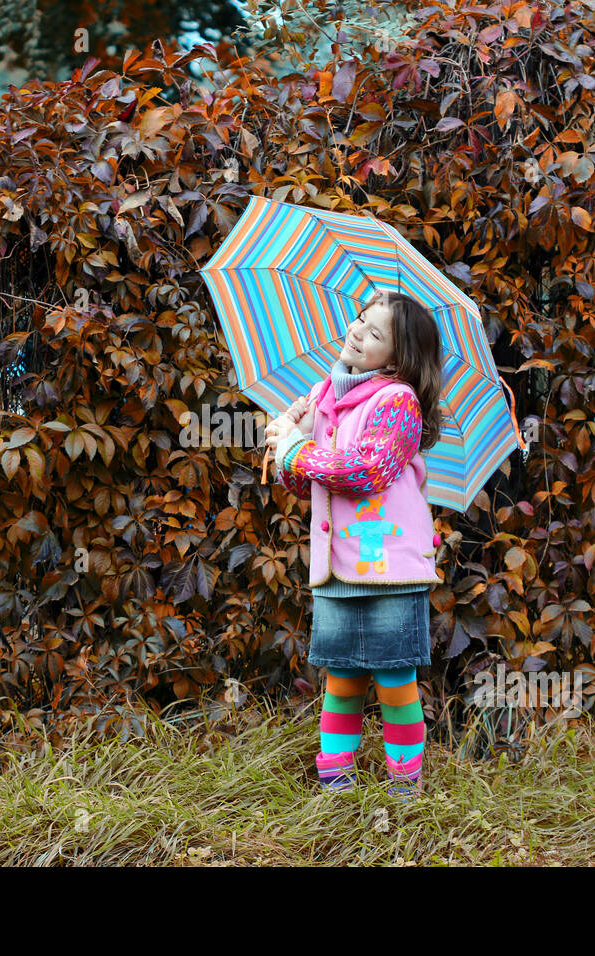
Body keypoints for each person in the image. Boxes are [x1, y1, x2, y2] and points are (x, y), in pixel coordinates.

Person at [265, 291, 445, 799]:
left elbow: (367, 471)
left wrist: (299, 452)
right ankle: (336, 788)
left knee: (394, 682)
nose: (357, 333)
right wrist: (285, 450)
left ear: (396, 357)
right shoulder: (324, 397)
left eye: (374, 334)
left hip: (391, 568)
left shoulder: (398, 401)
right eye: (360, 321)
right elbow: (311, 483)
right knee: (341, 680)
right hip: (337, 567)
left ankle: (404, 790)